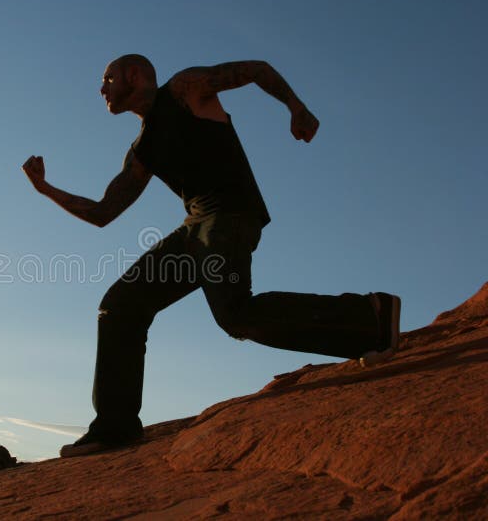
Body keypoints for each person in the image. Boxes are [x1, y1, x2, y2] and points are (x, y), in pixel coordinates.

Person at [21, 54, 401, 458]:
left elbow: (255, 69)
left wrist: (295, 106)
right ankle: (115, 427)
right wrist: (46, 189)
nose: (102, 89)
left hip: (231, 215)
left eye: (108, 78)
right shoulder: (141, 150)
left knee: (234, 314)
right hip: (197, 227)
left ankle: (370, 317)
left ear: (134, 74)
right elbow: (103, 212)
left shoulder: (185, 90)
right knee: (119, 307)